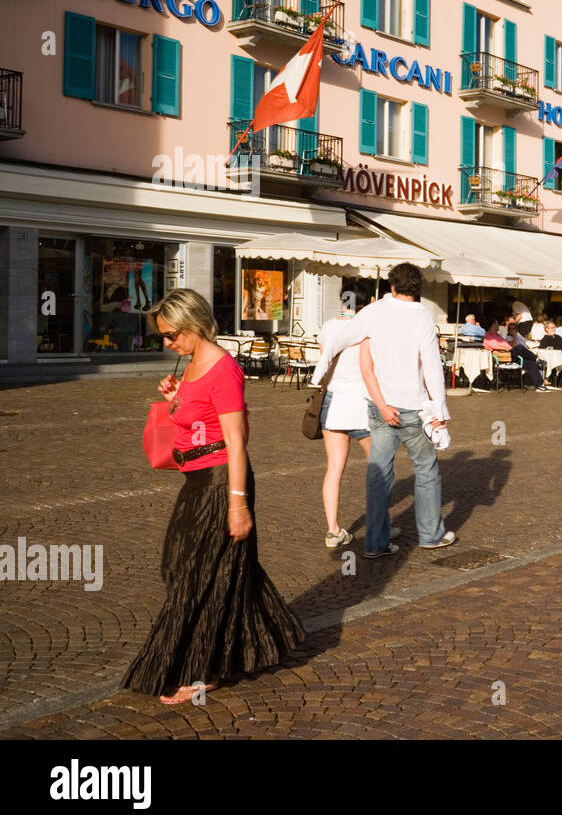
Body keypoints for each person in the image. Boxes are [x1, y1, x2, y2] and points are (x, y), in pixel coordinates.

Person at [123, 289, 303, 703]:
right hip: (196, 480)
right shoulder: (190, 364)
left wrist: (237, 505)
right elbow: (197, 419)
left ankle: (202, 670)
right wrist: (175, 399)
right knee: (186, 565)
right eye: (162, 337)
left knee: (201, 574)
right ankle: (253, 641)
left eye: (170, 335)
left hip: (223, 480)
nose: (167, 344)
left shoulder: (223, 370)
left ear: (194, 327)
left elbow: (236, 442)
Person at [312, 263, 456, 559]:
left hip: (380, 407)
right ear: (418, 288)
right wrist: (439, 407)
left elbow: (338, 341)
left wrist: (318, 376)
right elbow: (431, 366)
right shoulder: (423, 317)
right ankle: (430, 535)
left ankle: (375, 543)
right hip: (413, 407)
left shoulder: (373, 312)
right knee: (426, 469)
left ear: (392, 285)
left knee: (379, 474)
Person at [317, 299, 374, 549]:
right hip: (361, 400)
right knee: (379, 468)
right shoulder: (367, 328)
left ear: (341, 300)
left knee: (334, 468)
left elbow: (325, 360)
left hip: (333, 398)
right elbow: (370, 368)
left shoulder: (328, 326)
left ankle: (333, 530)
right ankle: (378, 524)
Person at [505, 320, 549, 391]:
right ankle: (536, 359)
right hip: (515, 357)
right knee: (519, 347)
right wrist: (515, 336)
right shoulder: (508, 338)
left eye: (514, 328)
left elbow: (526, 347)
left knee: (532, 365)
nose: (512, 330)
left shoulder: (520, 337)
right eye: (510, 328)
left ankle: (539, 385)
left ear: (516, 329)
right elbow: (514, 346)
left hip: (523, 357)